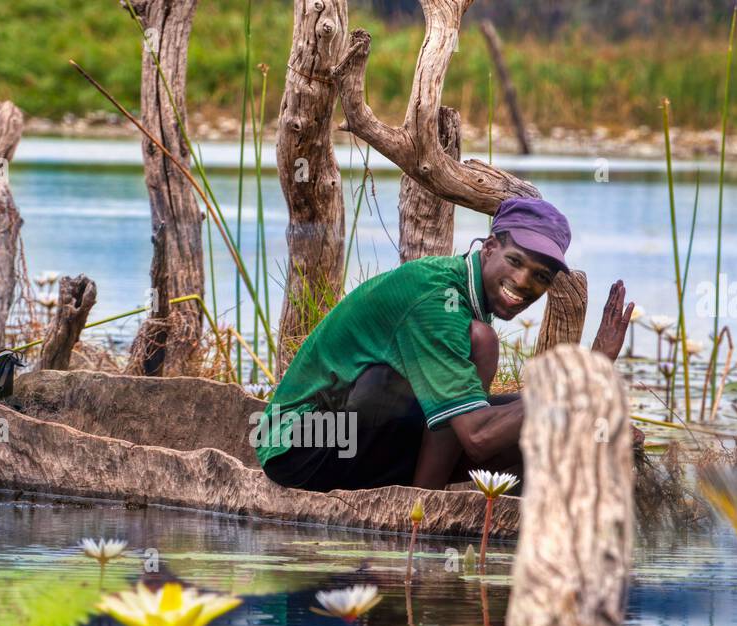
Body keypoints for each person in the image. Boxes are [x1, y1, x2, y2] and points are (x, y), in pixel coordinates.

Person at [254, 197, 634, 492]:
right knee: (467, 361)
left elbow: (475, 430)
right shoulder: (437, 299)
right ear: (489, 247)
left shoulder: (465, 300)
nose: (523, 282)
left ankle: (427, 503)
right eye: (515, 261)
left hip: (357, 440)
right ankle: (422, 503)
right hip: (300, 448)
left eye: (540, 276)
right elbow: (480, 439)